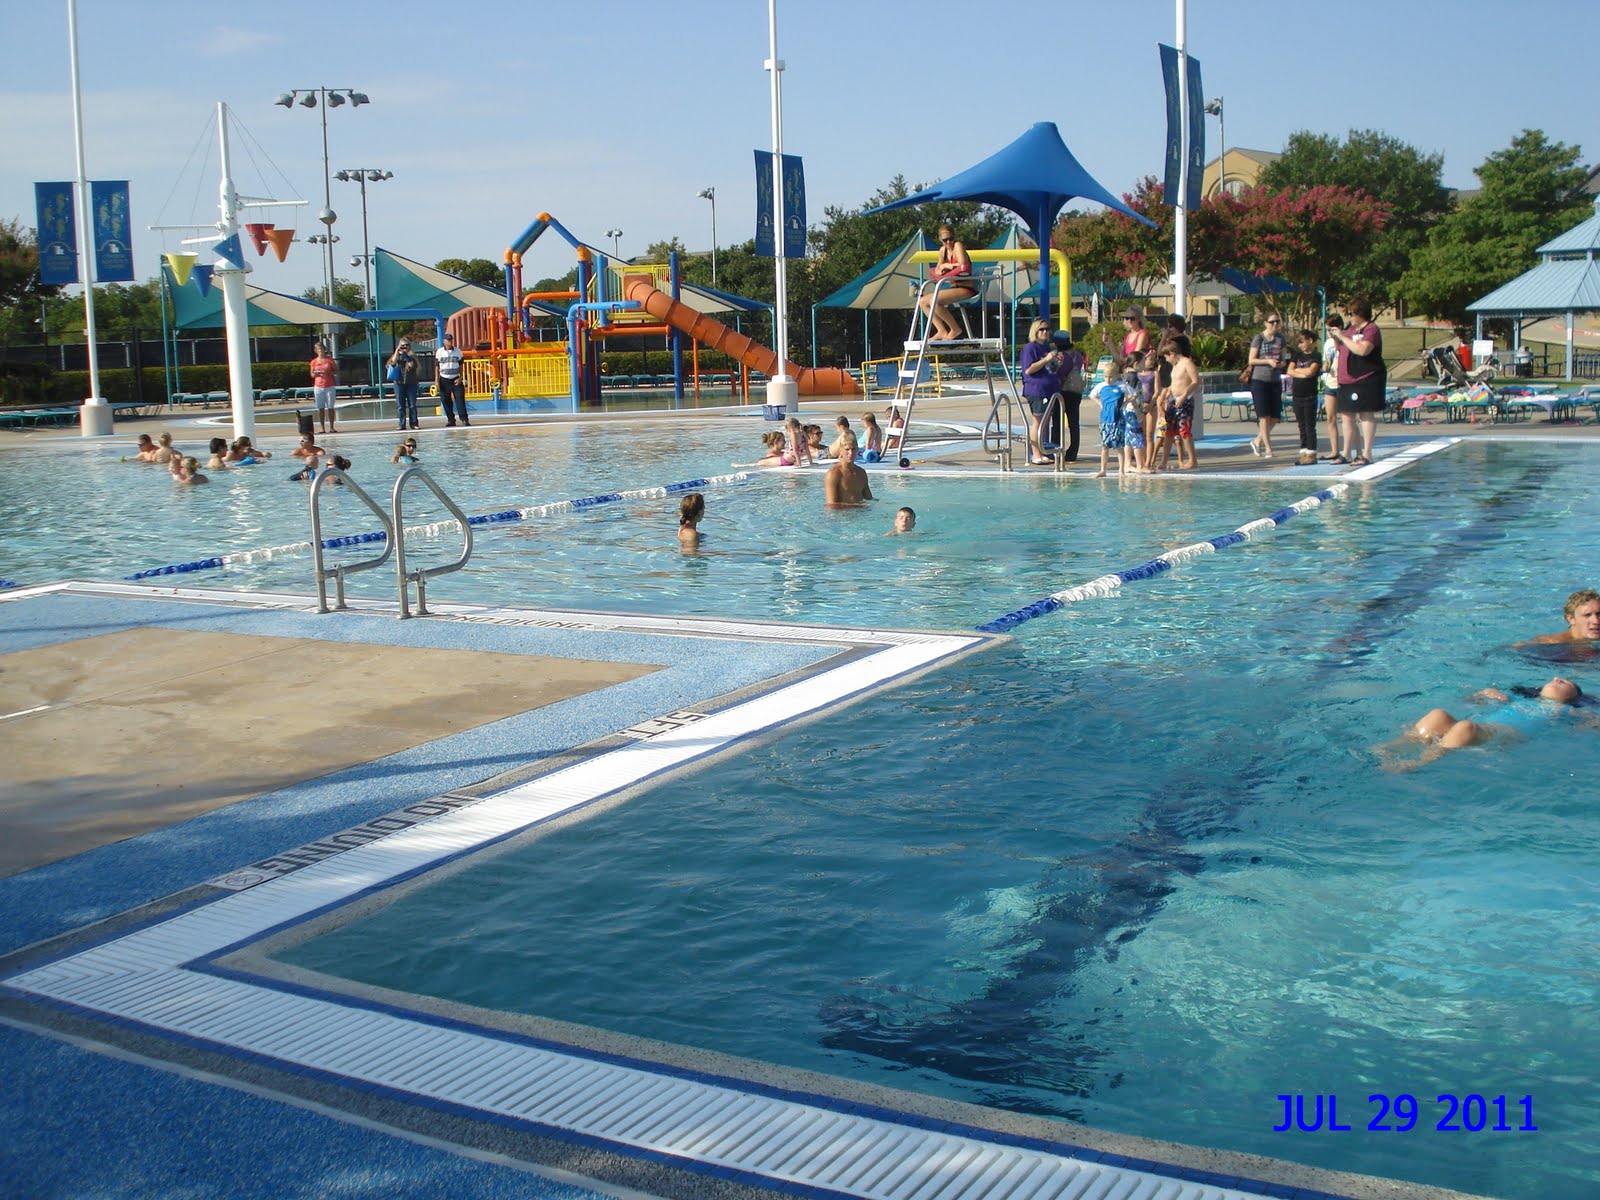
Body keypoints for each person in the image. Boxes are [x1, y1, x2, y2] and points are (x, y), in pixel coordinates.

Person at [1380, 677, 1595, 771]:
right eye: (1553, 679)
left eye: (1565, 682)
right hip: (1484, 726)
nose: (1556, 678)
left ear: (1573, 696)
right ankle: (1393, 748)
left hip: (1510, 735)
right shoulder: (1519, 699)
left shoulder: (1564, 710)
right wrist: (1483, 695)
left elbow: (1591, 722)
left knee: (1465, 727)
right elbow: (1468, 700)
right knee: (1438, 715)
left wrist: (1588, 721)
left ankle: (1420, 762)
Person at [1329, 299, 1386, 466]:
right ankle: (1346, 453)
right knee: (1347, 415)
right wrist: (1337, 338)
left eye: (1351, 314)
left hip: (1367, 377)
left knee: (1366, 414)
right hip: (1348, 379)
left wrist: (1342, 336)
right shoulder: (1350, 330)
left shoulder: (1371, 329)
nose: (1349, 317)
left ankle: (1367, 453)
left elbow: (1362, 350)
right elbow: (1343, 349)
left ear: (1360, 313)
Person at [1018, 318, 1067, 466]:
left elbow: (1050, 369)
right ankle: (1036, 453)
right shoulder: (1030, 348)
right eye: (1042, 329)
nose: (1045, 332)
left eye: (1047, 329)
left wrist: (1057, 361)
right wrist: (1046, 359)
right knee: (1037, 422)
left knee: (1044, 422)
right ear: (1035, 331)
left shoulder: (1046, 347)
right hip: (1037, 390)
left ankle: (1041, 450)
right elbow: (1029, 369)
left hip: (1049, 389)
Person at [919, 225, 975, 341]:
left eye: (951, 238)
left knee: (934, 300)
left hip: (967, 289)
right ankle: (941, 330)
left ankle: (955, 329)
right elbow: (938, 270)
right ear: (940, 240)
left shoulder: (957, 246)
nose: (948, 242)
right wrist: (945, 266)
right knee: (923, 301)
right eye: (945, 240)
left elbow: (962, 265)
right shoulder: (942, 251)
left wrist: (946, 266)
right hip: (955, 287)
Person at [1154, 335, 1199, 471]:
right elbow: (1174, 383)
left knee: (1184, 431)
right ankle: (1163, 461)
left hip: (1184, 400)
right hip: (1173, 400)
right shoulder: (1175, 365)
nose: (1167, 360)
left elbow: (1195, 381)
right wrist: (1167, 394)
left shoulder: (1187, 363)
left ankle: (1192, 460)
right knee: (1169, 432)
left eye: (1167, 357)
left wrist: (1184, 395)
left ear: (1172, 353)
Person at [1247, 312, 1287, 459]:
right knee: (1264, 416)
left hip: (1275, 380)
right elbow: (1252, 360)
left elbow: (1284, 359)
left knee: (1275, 417)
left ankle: (1257, 440)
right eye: (1272, 322)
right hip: (1260, 380)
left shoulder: (1280, 339)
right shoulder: (1259, 338)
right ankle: (1268, 448)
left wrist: (1280, 363)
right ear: (1265, 323)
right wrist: (1267, 361)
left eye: (1277, 321)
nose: (1275, 324)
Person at [1285, 329, 1324, 465]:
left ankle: (1311, 453)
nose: (1300, 345)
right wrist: (1302, 373)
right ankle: (1303, 451)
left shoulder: (1316, 355)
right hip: (1297, 395)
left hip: (1309, 395)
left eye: (1302, 342)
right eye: (1298, 343)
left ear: (1310, 341)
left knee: (1309, 425)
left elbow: (1311, 371)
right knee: (1301, 425)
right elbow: (1289, 371)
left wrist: (1299, 372)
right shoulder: (1297, 355)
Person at [1091, 359, 1133, 479]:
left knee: (1119, 446)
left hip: (1118, 420)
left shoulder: (1122, 386)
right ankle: (1103, 469)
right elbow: (1092, 395)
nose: (1108, 380)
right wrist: (1100, 403)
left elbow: (1134, 394)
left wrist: (1125, 403)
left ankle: (1121, 469)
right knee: (1105, 446)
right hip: (1105, 420)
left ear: (1117, 376)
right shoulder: (1101, 386)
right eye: (1105, 377)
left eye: (1110, 377)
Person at [1524, 588, 1600, 645]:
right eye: (1587, 615)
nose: (1596, 621)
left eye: (1599, 614)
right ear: (1571, 619)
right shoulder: (1553, 643)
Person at [1320, 313, 1343, 462]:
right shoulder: (1327, 343)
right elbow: (1326, 360)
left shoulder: (1345, 340)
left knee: (1349, 417)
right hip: (1330, 381)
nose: (1329, 333)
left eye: (1331, 329)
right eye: (1327, 330)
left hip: (1344, 382)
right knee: (1330, 417)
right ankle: (1334, 450)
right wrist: (1325, 367)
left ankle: (1349, 449)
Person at [435, 332, 469, 427]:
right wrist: (437, 380)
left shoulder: (457, 351)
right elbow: (437, 366)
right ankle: (451, 419)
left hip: (455, 378)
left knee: (460, 399)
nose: (449, 342)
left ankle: (464, 419)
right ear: (444, 341)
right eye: (447, 340)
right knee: (445, 400)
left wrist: (460, 377)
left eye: (451, 340)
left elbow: (461, 365)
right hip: (444, 379)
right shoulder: (439, 352)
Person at [824, 441, 873, 505]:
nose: (851, 453)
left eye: (853, 449)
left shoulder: (861, 473)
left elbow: (869, 498)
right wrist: (857, 506)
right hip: (842, 513)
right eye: (847, 449)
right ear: (840, 451)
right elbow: (831, 505)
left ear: (857, 450)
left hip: (860, 512)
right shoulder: (833, 474)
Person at [389, 339, 420, 431]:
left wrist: (405, 355)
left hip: (411, 383)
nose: (404, 347)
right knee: (400, 405)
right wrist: (397, 351)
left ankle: (414, 423)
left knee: (412, 405)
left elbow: (412, 365)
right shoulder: (397, 356)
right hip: (399, 383)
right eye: (402, 345)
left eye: (406, 345)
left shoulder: (412, 356)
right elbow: (393, 363)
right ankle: (402, 424)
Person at [309, 341, 339, 434]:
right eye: (318, 349)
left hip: (329, 385)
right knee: (320, 407)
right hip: (318, 386)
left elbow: (336, 371)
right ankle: (322, 428)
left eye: (321, 348)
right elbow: (312, 374)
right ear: (316, 351)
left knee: (330, 407)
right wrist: (316, 373)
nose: (320, 350)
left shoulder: (329, 360)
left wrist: (329, 373)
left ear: (324, 349)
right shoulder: (314, 362)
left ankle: (331, 427)